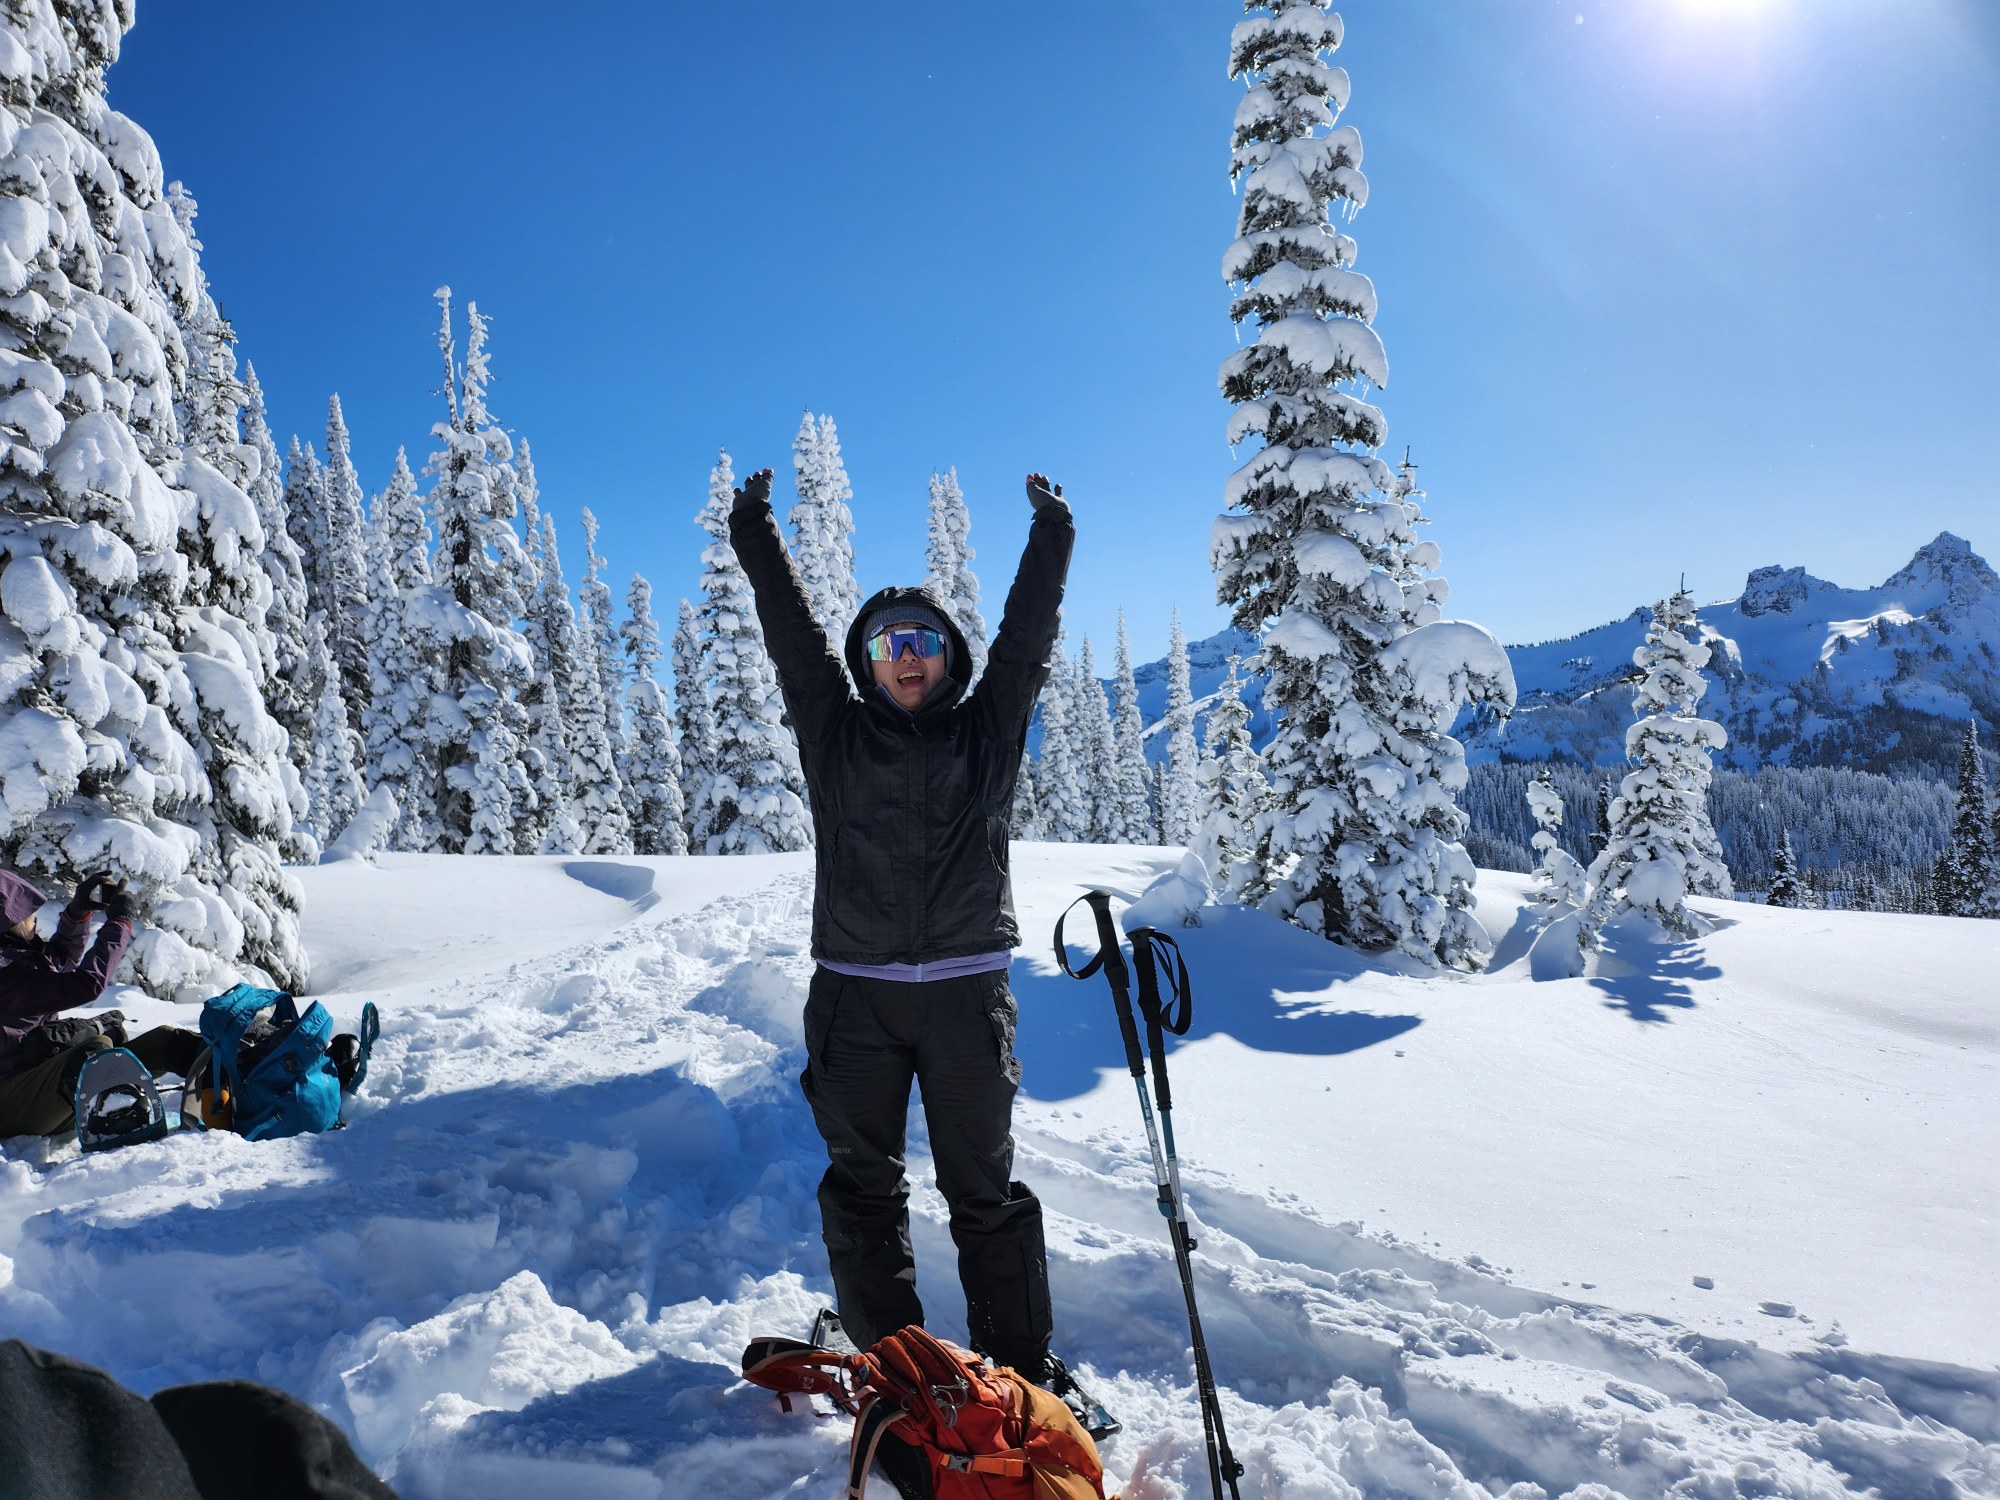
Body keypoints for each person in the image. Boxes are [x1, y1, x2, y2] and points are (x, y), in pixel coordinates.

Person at [729, 467, 1074, 1386]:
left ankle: (1020, 1372)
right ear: (867, 664)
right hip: (855, 1005)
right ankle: (898, 1369)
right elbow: (791, 639)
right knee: (863, 1189)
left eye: (921, 639)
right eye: (887, 643)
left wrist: (1052, 536)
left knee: (984, 1196)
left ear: (947, 656)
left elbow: (1027, 643)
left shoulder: (988, 731)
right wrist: (753, 530)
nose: (906, 653)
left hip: (966, 1001)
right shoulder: (834, 736)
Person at [0, 869, 199, 1138]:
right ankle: (120, 1134)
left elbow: (58, 961)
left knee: (166, 1042)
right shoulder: (7, 975)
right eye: (26, 914)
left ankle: (240, 1073)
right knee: (97, 1055)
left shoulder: (12, 957)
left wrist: (77, 914)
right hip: (11, 1105)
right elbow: (85, 984)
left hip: (35, 1080)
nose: (33, 919)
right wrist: (120, 924)